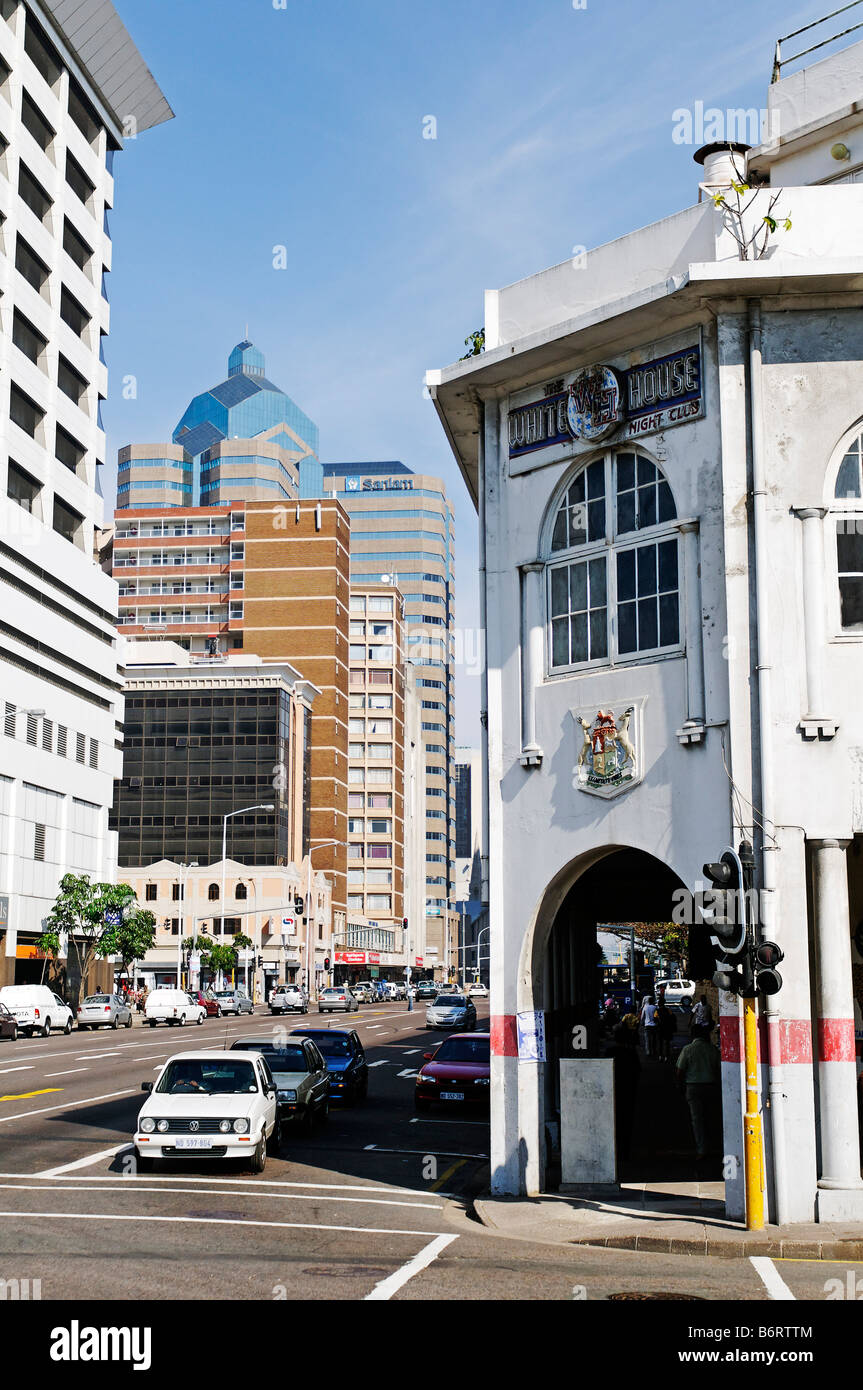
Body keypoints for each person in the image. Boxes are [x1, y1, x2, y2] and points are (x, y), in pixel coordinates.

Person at [676, 1024, 721, 1160]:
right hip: (710, 1086)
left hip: (693, 1087)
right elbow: (719, 1068)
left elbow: (680, 1070)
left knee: (697, 1119)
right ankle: (715, 1144)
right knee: (710, 1116)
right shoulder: (712, 1049)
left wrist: (680, 1085)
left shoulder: (687, 1049)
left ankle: (702, 1149)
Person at [607, 1023, 640, 1161]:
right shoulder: (631, 1053)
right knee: (627, 1121)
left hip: (613, 1091)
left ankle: (614, 1149)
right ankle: (625, 1151)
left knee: (613, 1121)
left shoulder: (609, 1052)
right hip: (628, 1091)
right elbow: (637, 1071)